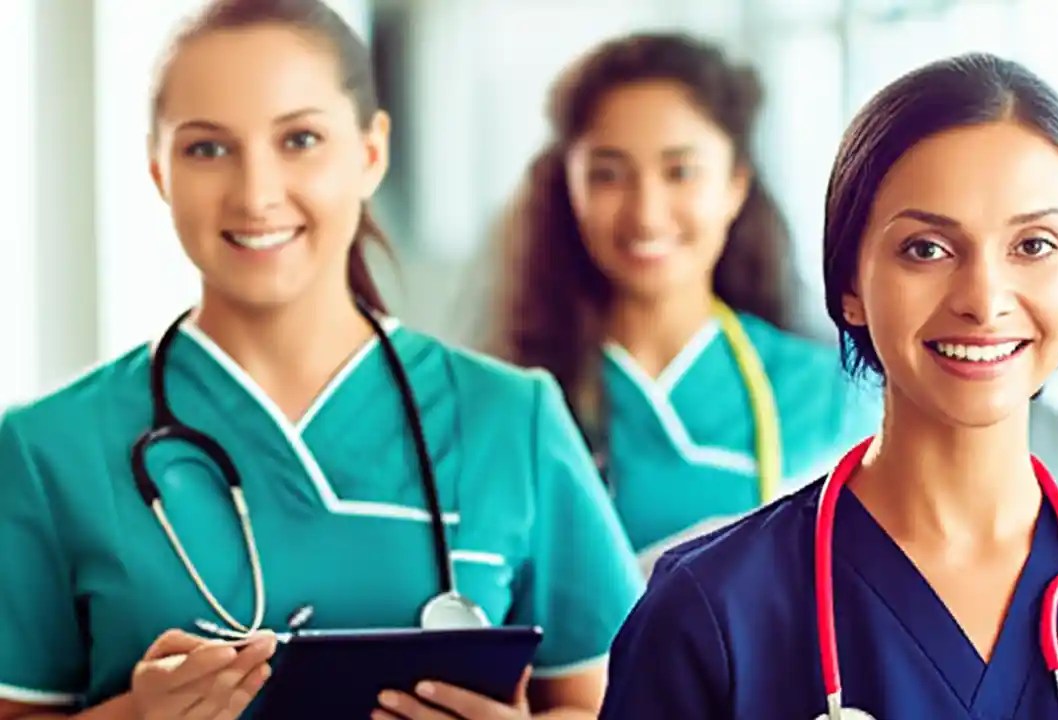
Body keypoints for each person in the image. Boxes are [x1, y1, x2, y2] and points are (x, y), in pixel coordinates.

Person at [0, 1, 643, 718]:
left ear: (370, 153)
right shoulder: (47, 449)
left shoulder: (510, 420)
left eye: (300, 139)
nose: (256, 193)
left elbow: (618, 703)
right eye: (207, 148)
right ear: (157, 169)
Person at [597, 53, 1058, 719]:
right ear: (850, 286)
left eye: (1034, 246)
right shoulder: (711, 615)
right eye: (926, 249)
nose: (983, 300)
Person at [487, 33, 882, 563]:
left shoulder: (833, 400)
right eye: (607, 174)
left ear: (735, 185)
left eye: (680, 172)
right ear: (569, 188)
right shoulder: (509, 408)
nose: (646, 212)